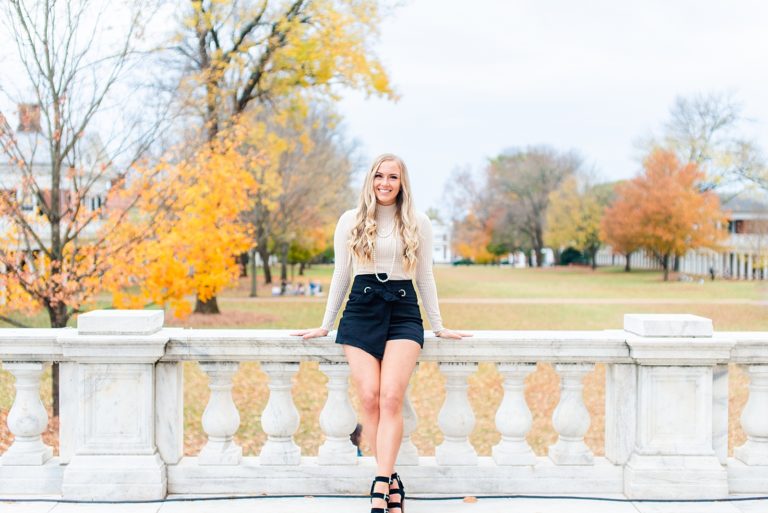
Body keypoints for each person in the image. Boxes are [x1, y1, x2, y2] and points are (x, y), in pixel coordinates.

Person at [292, 154, 470, 513]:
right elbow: (341, 274)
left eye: (393, 177)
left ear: (402, 183)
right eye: (379, 175)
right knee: (370, 397)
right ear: (370, 179)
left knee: (391, 397)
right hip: (360, 308)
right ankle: (391, 482)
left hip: (403, 311)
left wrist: (438, 325)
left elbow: (425, 276)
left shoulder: (419, 222)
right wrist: (326, 323)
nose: (385, 183)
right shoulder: (351, 220)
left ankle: (379, 486)